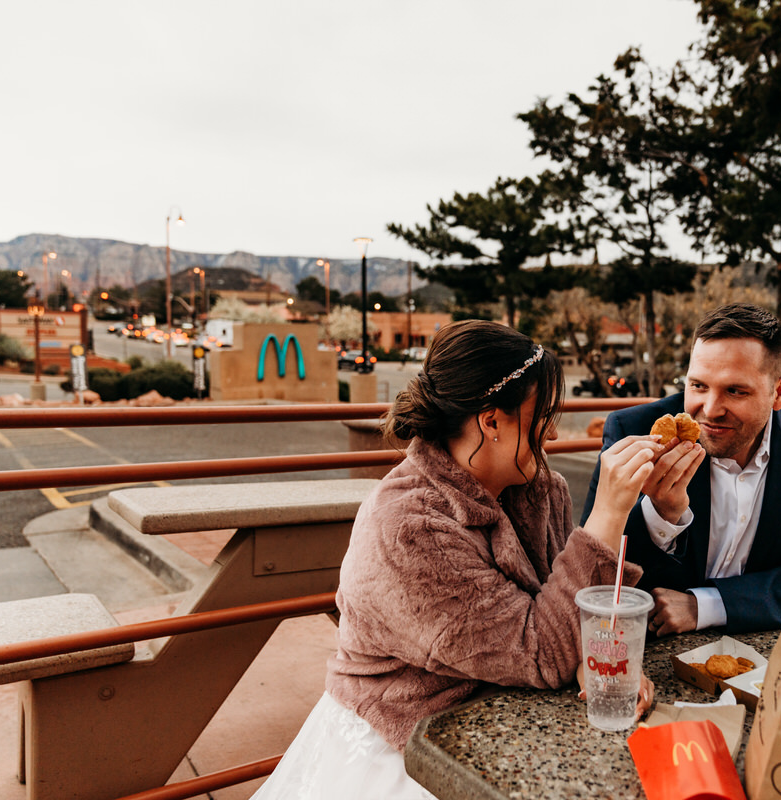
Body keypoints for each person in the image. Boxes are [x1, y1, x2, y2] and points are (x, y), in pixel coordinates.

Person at [251, 320, 661, 800]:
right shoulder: (409, 528)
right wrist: (610, 512)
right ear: (491, 421)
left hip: (506, 715)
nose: (552, 428)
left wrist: (590, 662)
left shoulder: (540, 489)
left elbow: (559, 616)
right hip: (410, 740)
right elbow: (539, 650)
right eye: (542, 414)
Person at [581, 304, 781, 636]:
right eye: (697, 386)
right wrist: (659, 516)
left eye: (735, 391)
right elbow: (593, 574)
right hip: (653, 650)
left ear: (778, 392)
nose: (708, 410)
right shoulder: (632, 431)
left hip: (763, 651)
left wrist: (707, 605)